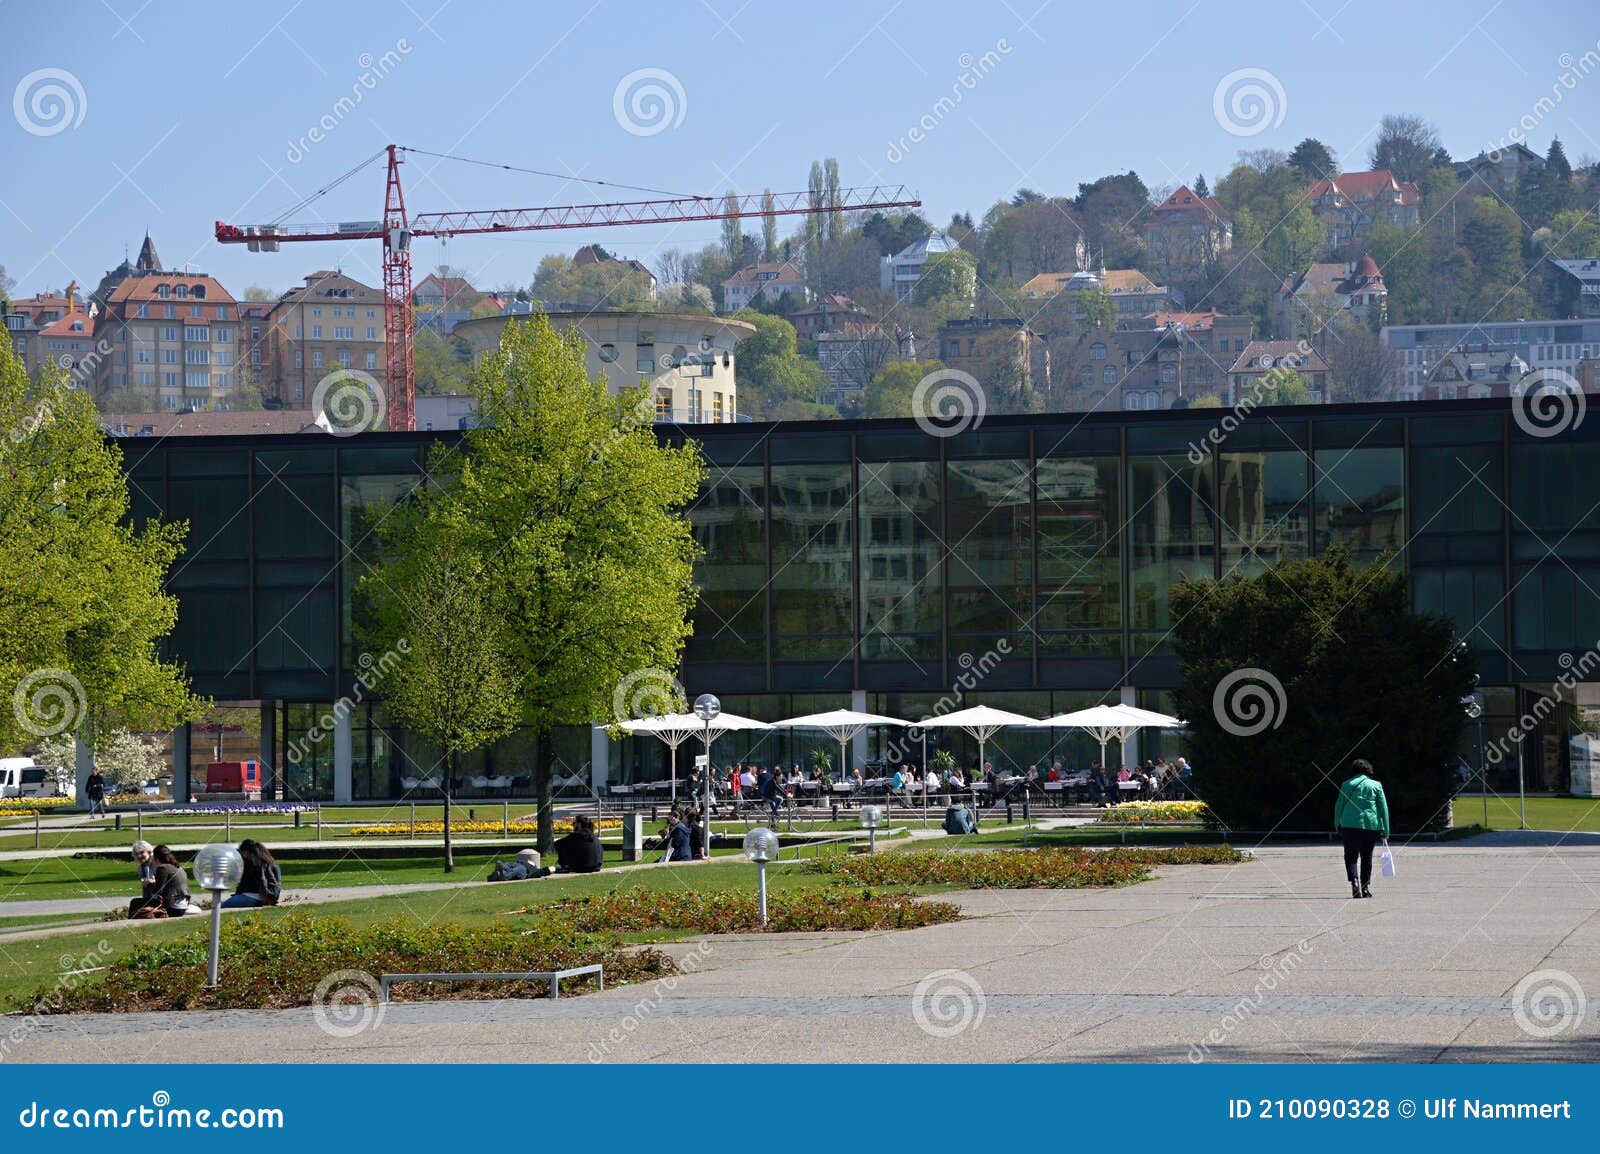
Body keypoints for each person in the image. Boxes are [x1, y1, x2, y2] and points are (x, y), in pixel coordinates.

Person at [1334, 759, 1390, 899]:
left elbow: (1339, 805)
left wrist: (1337, 823)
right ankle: (1365, 888)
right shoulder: (1376, 785)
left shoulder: (1346, 784)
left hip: (1349, 825)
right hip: (1370, 825)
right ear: (1369, 770)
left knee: (1350, 856)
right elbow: (1383, 809)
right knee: (1367, 856)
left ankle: (1354, 881)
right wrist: (1385, 829)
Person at [132, 845, 191, 918]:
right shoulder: (179, 868)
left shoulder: (162, 868)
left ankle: (131, 921)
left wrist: (150, 883)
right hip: (183, 907)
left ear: (156, 858)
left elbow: (158, 890)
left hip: (172, 907)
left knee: (135, 902)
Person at [221, 839, 282, 908]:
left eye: (241, 852)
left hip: (250, 896)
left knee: (219, 906)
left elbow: (242, 885)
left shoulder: (250, 863)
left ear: (246, 852)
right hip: (268, 898)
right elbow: (278, 883)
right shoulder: (272, 863)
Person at [127, 841, 157, 918]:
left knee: (134, 902)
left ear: (149, 852)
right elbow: (145, 887)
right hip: (150, 897)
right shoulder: (142, 867)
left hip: (161, 897)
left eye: (142, 852)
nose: (139, 856)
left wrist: (153, 882)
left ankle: (130, 921)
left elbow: (164, 882)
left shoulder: (156, 863)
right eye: (136, 854)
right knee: (137, 904)